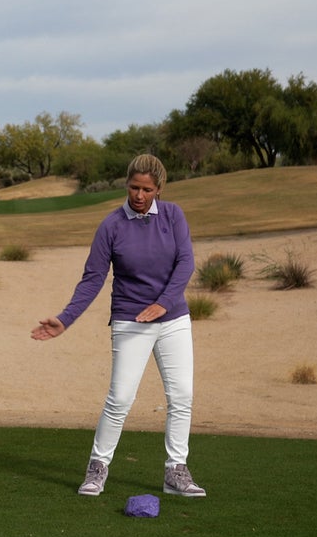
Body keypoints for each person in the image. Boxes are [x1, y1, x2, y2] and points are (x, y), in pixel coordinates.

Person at [31, 154, 205, 498]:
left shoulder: (173, 215)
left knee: (181, 396)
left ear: (159, 189)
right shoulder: (111, 226)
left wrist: (163, 303)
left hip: (173, 319)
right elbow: (93, 279)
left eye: (147, 190)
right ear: (126, 184)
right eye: (134, 187)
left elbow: (186, 262)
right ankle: (97, 468)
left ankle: (176, 471)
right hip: (130, 319)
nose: (139, 195)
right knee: (121, 398)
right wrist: (65, 319)